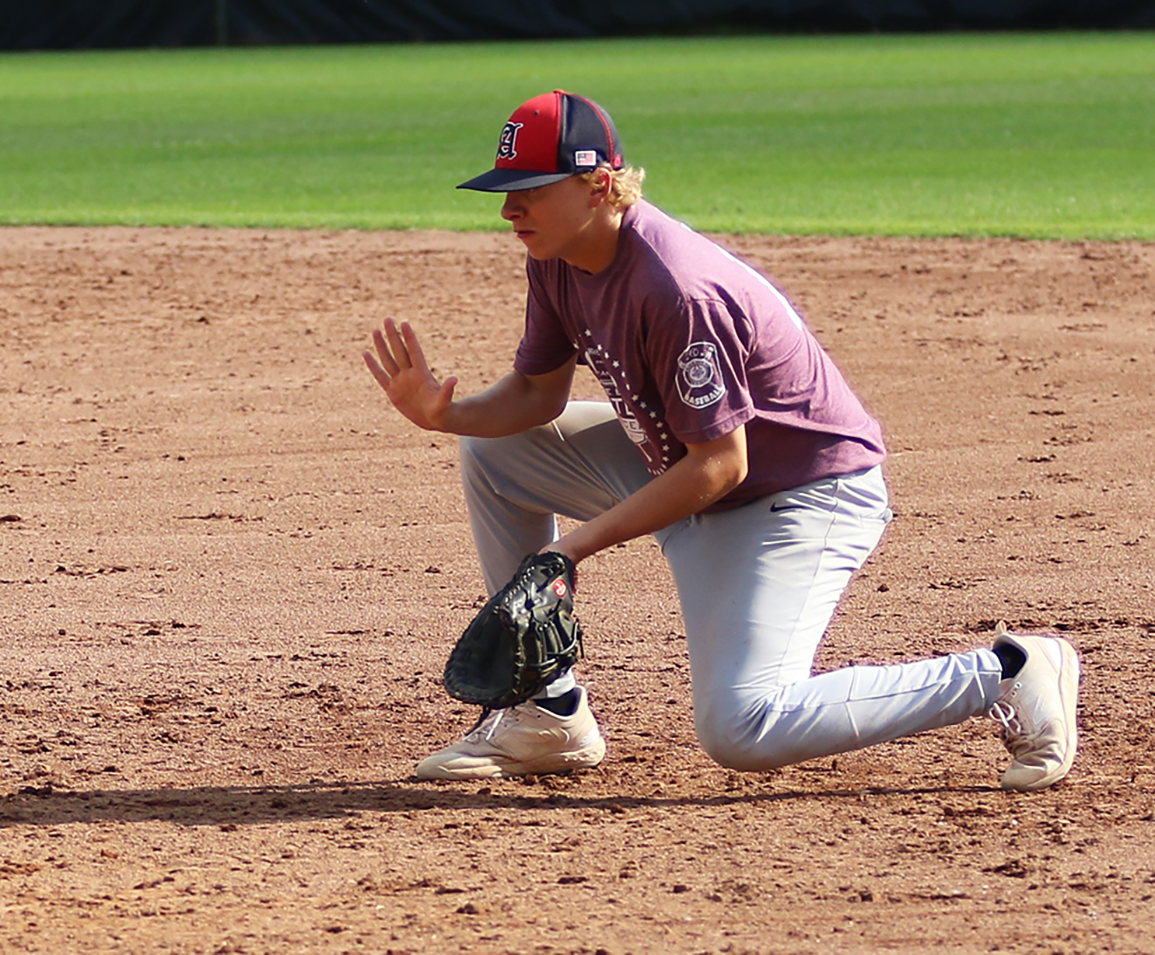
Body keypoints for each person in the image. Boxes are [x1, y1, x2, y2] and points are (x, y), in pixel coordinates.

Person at [363, 90, 1079, 791]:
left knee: (743, 724)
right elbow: (536, 395)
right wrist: (441, 414)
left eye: (530, 190)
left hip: (798, 496)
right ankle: (546, 713)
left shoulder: (677, 290)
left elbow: (721, 466)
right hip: (687, 466)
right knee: (498, 453)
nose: (508, 209)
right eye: (506, 190)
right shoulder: (556, 258)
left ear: (599, 185)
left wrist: (569, 547)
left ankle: (1008, 672)